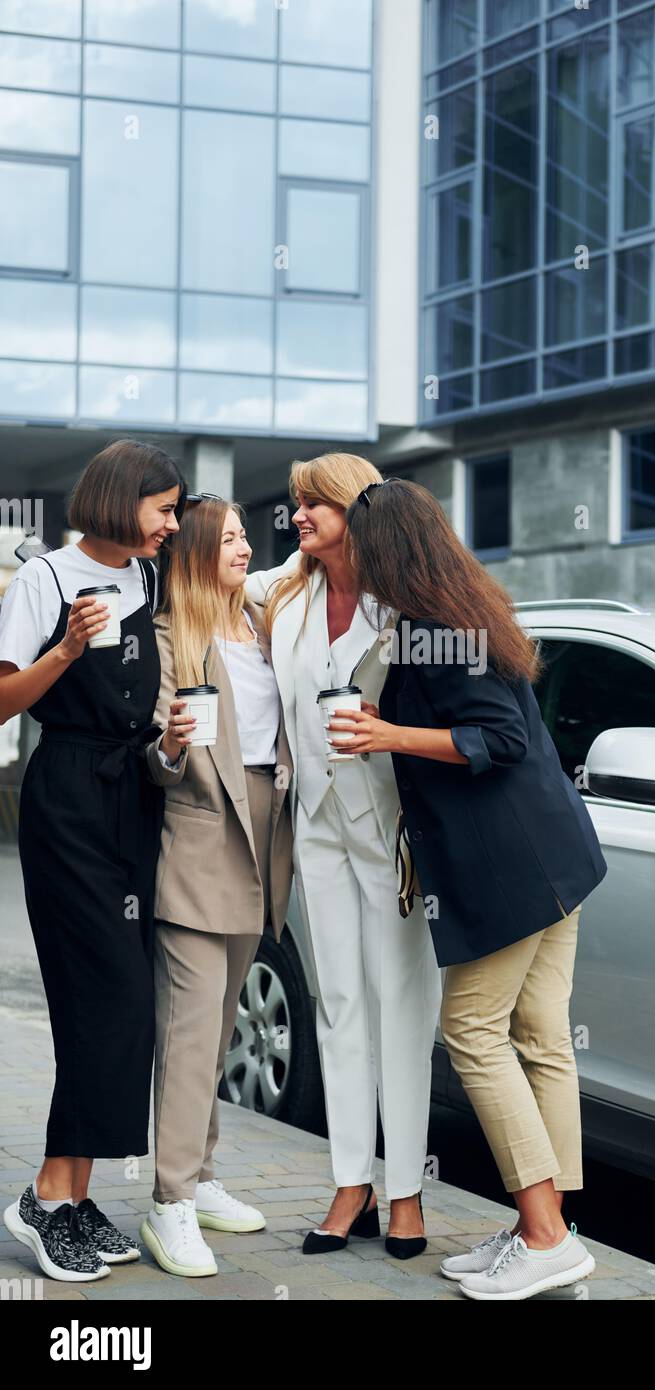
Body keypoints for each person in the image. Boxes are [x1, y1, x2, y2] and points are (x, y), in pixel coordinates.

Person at [334, 477, 609, 1300]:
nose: (352, 556)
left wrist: (386, 733)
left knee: (473, 1031)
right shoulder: (465, 603)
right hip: (556, 857)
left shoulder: (437, 625)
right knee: (540, 1036)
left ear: (388, 550)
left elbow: (500, 737)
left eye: (358, 544)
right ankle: (545, 1228)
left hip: (513, 865)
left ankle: (547, 1233)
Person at [244, 454, 441, 1258]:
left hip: (393, 832)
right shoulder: (286, 596)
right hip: (318, 825)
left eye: (314, 503)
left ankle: (405, 1193)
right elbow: (225, 581)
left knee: (402, 1007)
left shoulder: (404, 603)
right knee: (339, 1007)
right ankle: (350, 1182)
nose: (299, 514)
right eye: (294, 503)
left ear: (355, 508)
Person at [0, 440, 185, 1281]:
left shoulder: (146, 578)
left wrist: (169, 735)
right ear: (121, 502)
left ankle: (73, 1195)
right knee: (98, 993)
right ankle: (44, 1194)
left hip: (130, 796)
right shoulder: (45, 578)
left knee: (127, 1002)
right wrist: (65, 651)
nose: (172, 524)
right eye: (164, 509)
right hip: (69, 796)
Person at [139, 497, 293, 1278]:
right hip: (202, 840)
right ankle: (167, 1203)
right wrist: (166, 748)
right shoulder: (173, 639)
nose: (244, 546)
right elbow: (158, 763)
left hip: (265, 837)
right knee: (192, 1033)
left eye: (245, 535)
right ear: (198, 551)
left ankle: (198, 1179)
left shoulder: (264, 625)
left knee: (224, 1019)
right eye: (229, 537)